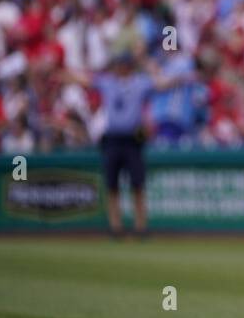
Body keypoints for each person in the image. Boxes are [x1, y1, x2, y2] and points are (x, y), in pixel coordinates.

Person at [62, 51, 181, 239]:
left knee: (137, 185)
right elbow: (85, 80)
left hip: (133, 139)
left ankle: (140, 227)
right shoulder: (108, 81)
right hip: (112, 139)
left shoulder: (140, 82)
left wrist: (172, 75)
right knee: (112, 186)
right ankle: (116, 227)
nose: (118, 68)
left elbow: (162, 84)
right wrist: (64, 72)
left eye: (122, 64)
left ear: (128, 66)